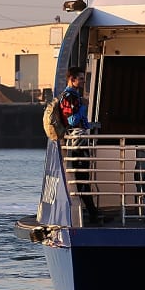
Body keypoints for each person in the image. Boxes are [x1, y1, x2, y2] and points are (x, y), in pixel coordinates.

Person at [50, 67, 101, 223]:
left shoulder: (73, 96)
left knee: (83, 176)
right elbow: (72, 121)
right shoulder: (69, 97)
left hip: (79, 137)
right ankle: (92, 214)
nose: (83, 81)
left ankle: (92, 212)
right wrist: (84, 107)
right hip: (76, 139)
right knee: (81, 176)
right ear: (71, 79)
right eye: (80, 78)